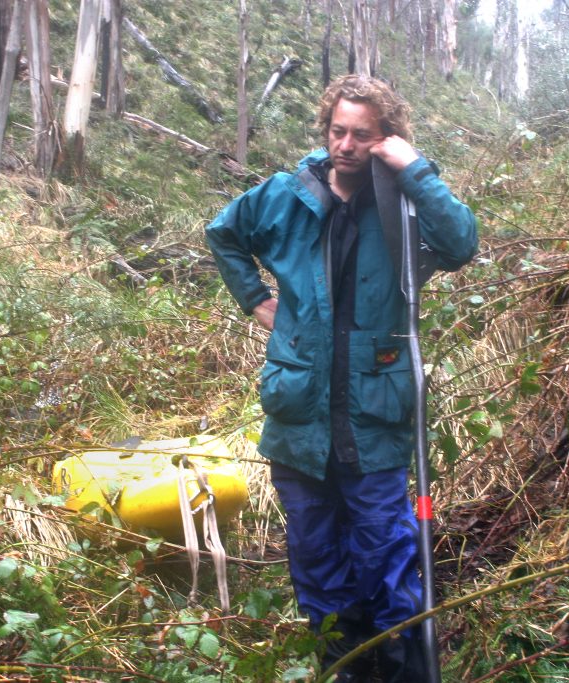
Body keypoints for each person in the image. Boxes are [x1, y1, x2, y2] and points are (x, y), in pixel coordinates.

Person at [205, 75, 477, 682]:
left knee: (384, 547)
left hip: (374, 412)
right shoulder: (285, 196)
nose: (346, 145)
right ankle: (344, 664)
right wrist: (255, 299)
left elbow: (461, 244)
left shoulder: (404, 203)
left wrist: (416, 169)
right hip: (299, 409)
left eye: (363, 134)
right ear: (326, 130)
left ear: (386, 139)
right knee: (315, 551)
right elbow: (223, 234)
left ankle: (401, 663)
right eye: (338, 131)